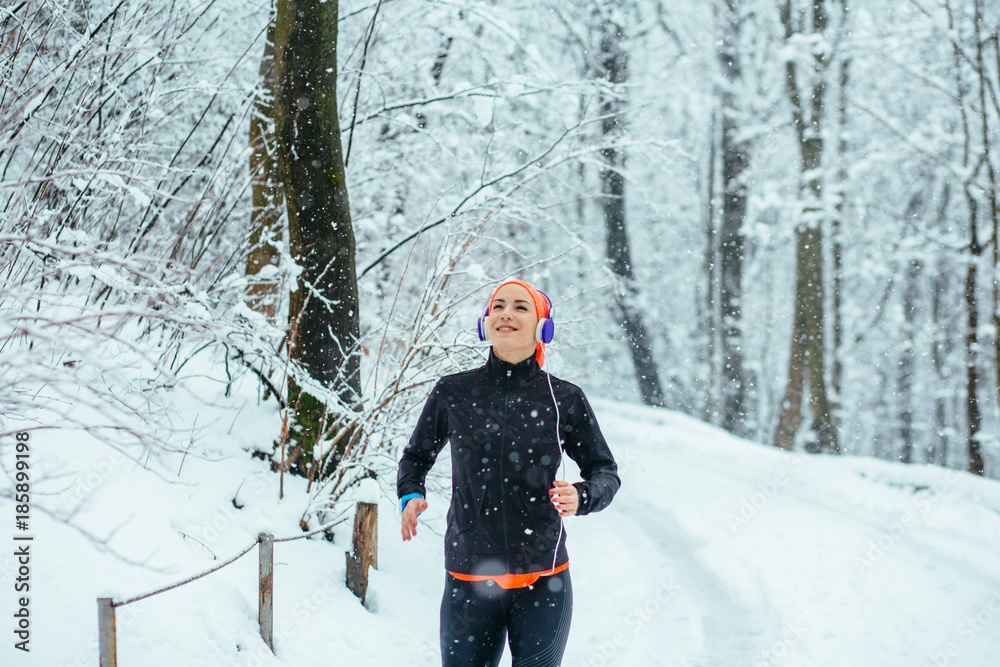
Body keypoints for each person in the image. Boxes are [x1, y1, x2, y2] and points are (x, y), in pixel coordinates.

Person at [397, 279, 621, 667]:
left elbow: (605, 471)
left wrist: (582, 496)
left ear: (542, 327)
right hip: (468, 577)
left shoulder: (563, 398)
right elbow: (415, 457)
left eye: (520, 307)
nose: (506, 313)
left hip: (543, 579)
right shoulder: (454, 392)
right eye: (498, 305)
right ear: (485, 322)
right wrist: (410, 494)